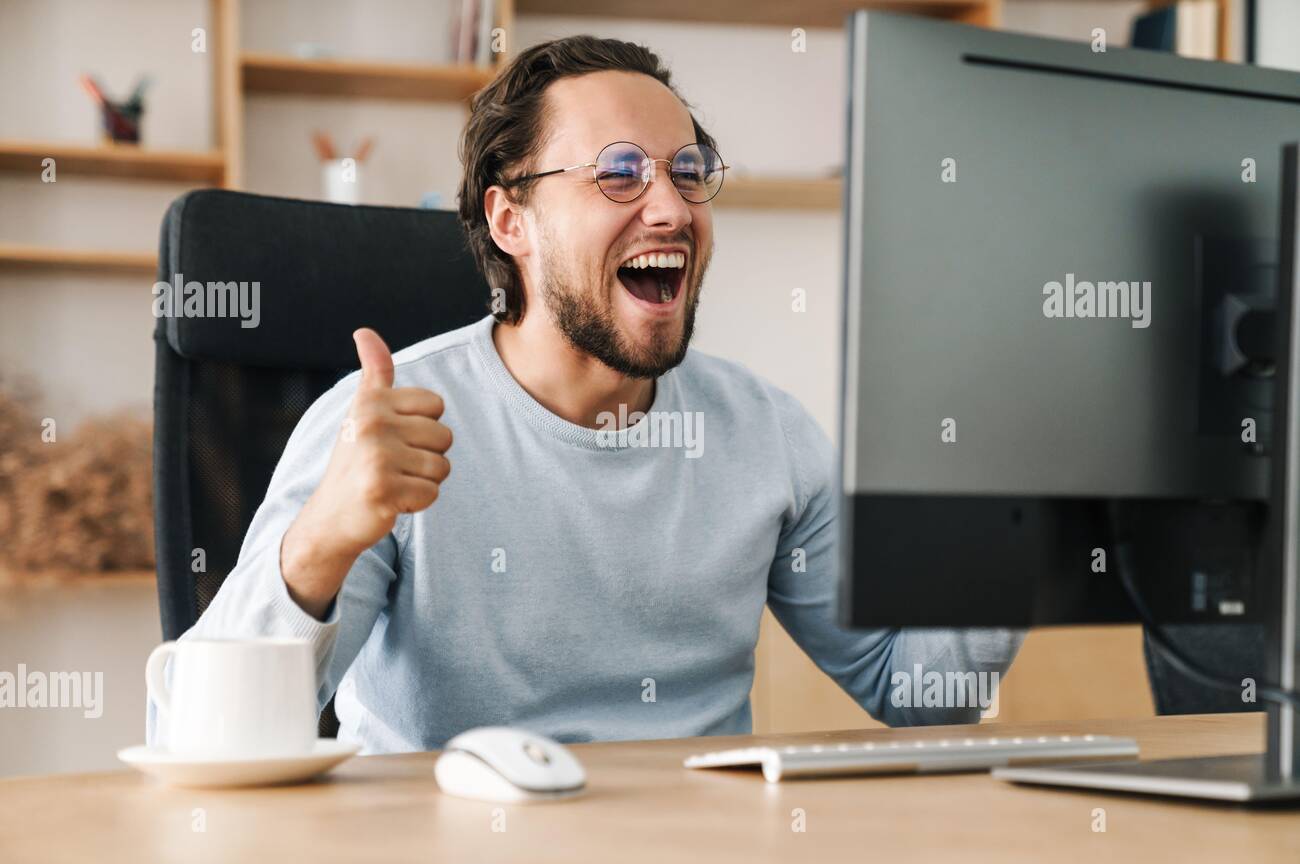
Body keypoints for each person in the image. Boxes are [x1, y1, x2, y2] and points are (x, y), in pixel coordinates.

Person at [151, 35, 1023, 753]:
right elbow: (191, 740)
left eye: (688, 170)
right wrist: (320, 542)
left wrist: (1031, 514)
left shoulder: (768, 436)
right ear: (510, 221)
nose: (672, 208)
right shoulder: (386, 424)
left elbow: (914, 690)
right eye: (618, 172)